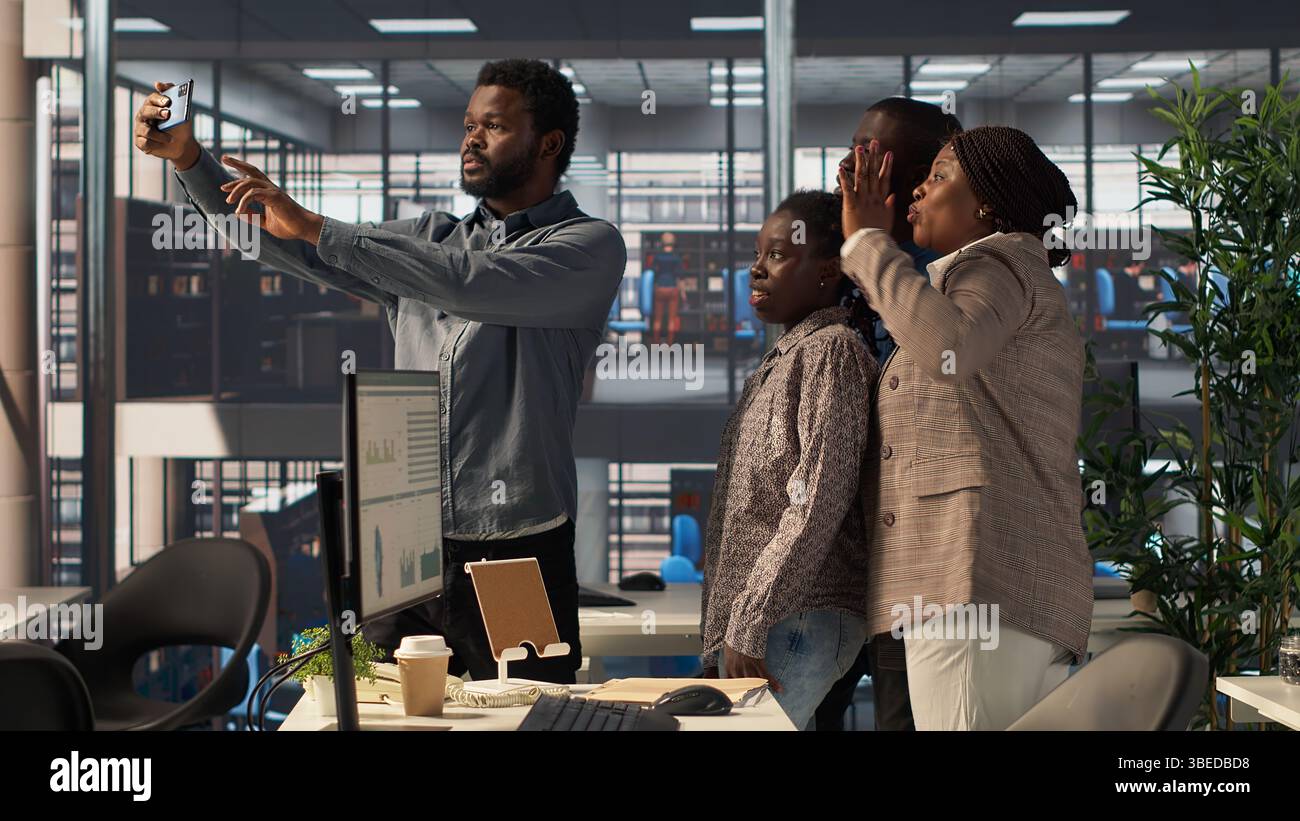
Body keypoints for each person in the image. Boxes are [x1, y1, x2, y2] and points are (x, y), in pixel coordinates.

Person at [132, 59, 627, 684]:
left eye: (494, 126)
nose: (471, 137)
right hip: (403, 545)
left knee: (525, 713)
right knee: (385, 714)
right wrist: (189, 161)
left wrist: (319, 226)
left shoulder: (587, 247)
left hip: (513, 547)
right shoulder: (425, 240)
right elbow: (283, 242)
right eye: (469, 124)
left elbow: (470, 283)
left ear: (548, 143)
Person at [838, 126, 1093, 730]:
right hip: (997, 589)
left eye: (939, 176)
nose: (918, 193)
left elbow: (949, 345)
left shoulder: (998, 263)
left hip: (975, 587)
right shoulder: (995, 276)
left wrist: (868, 243)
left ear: (987, 203)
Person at [700, 190, 879, 731]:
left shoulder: (832, 352)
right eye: (758, 254)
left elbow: (818, 500)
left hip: (799, 615)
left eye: (777, 255)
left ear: (828, 269)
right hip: (779, 616)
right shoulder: (791, 353)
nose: (756, 269)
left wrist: (750, 618)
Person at [817, 96, 962, 732]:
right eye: (853, 146)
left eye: (875, 155)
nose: (853, 165)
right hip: (834, 554)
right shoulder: (835, 257)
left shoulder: (955, 276)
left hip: (918, 563)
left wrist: (868, 241)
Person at [650, 232, 687, 344]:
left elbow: (653, 274)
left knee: (657, 319)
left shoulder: (657, 257)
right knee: (671, 320)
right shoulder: (676, 258)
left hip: (660, 288)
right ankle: (670, 346)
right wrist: (683, 293)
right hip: (672, 289)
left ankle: (656, 345)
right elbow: (680, 277)